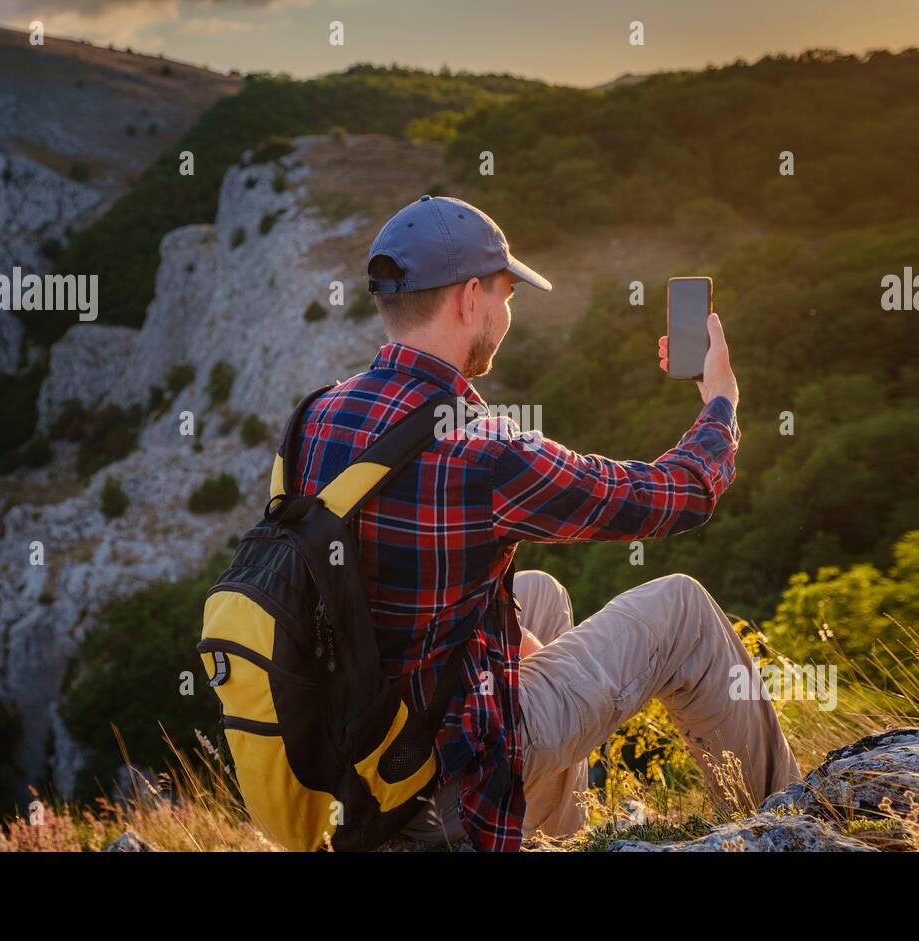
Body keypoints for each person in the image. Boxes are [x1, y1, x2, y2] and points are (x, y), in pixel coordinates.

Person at [290, 194, 801, 851]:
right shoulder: (479, 447)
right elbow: (675, 494)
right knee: (682, 608)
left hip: (360, 761)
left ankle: (554, 838)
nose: (507, 313)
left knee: (538, 595)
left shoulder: (315, 417)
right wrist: (721, 400)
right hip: (448, 779)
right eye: (507, 294)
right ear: (470, 298)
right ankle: (791, 825)